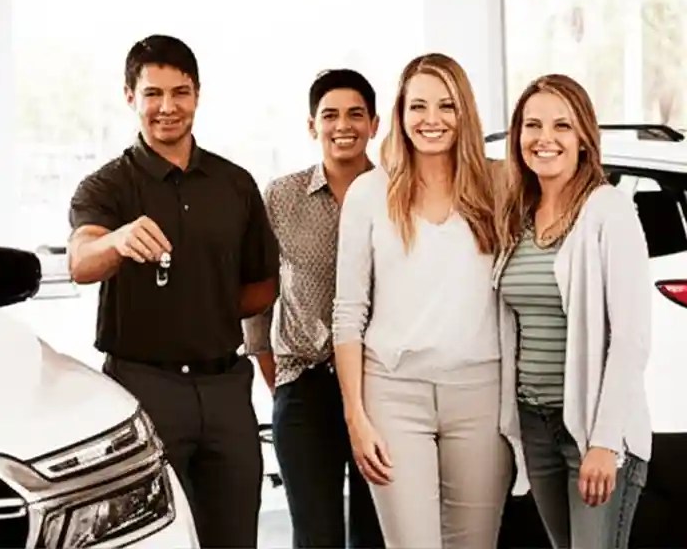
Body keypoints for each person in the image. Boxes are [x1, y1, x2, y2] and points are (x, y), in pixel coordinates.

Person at [67, 34, 278, 548]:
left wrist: (202, 308)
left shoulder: (235, 184)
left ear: (197, 95)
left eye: (180, 92)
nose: (167, 107)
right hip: (144, 388)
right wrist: (117, 240)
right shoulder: (107, 186)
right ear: (130, 97)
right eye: (153, 93)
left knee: (235, 537)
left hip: (226, 388)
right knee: (147, 539)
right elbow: (81, 261)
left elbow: (263, 286)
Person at [331, 52, 511, 548]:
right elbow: (347, 313)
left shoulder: (500, 185)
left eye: (446, 106)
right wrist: (356, 416)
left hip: (481, 394)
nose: (431, 120)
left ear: (464, 113)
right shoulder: (370, 192)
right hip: (393, 394)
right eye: (418, 107)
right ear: (401, 114)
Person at [493, 74, 651, 549]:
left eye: (561, 125)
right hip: (535, 423)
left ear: (583, 137)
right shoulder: (517, 214)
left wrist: (604, 442)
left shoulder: (608, 210)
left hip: (592, 432)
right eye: (532, 124)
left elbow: (630, 338)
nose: (544, 138)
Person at [244, 69, 386, 548]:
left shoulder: (395, 192)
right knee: (315, 533)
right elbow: (259, 290)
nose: (342, 125)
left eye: (355, 114)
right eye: (330, 115)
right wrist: (274, 370)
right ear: (312, 126)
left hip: (382, 387)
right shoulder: (282, 196)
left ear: (375, 124)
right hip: (303, 385)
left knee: (377, 532)